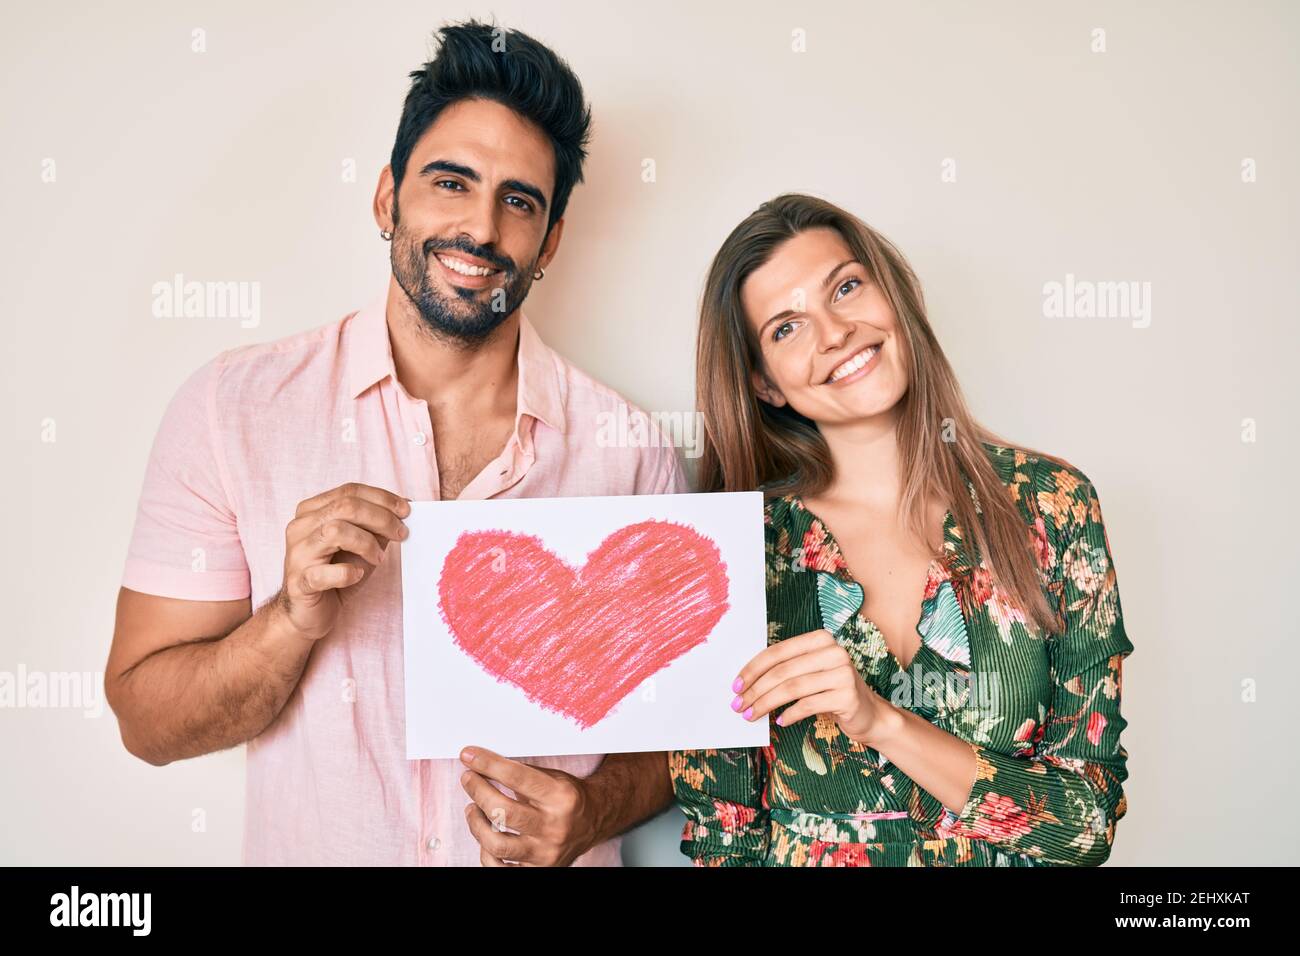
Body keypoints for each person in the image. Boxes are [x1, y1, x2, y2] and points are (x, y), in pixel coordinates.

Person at [105, 19, 687, 867]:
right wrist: (290, 620)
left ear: (551, 240)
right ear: (388, 199)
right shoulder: (232, 411)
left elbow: (694, 733)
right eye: (450, 183)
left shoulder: (633, 455)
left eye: (519, 201)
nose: (481, 230)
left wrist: (597, 808)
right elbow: (145, 723)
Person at [669, 193, 1134, 866]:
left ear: (894, 296)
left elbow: (1085, 828)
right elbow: (726, 834)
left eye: (846, 287)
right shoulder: (733, 551)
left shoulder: (1051, 507)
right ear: (764, 384)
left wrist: (880, 722)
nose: (834, 332)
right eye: (786, 328)